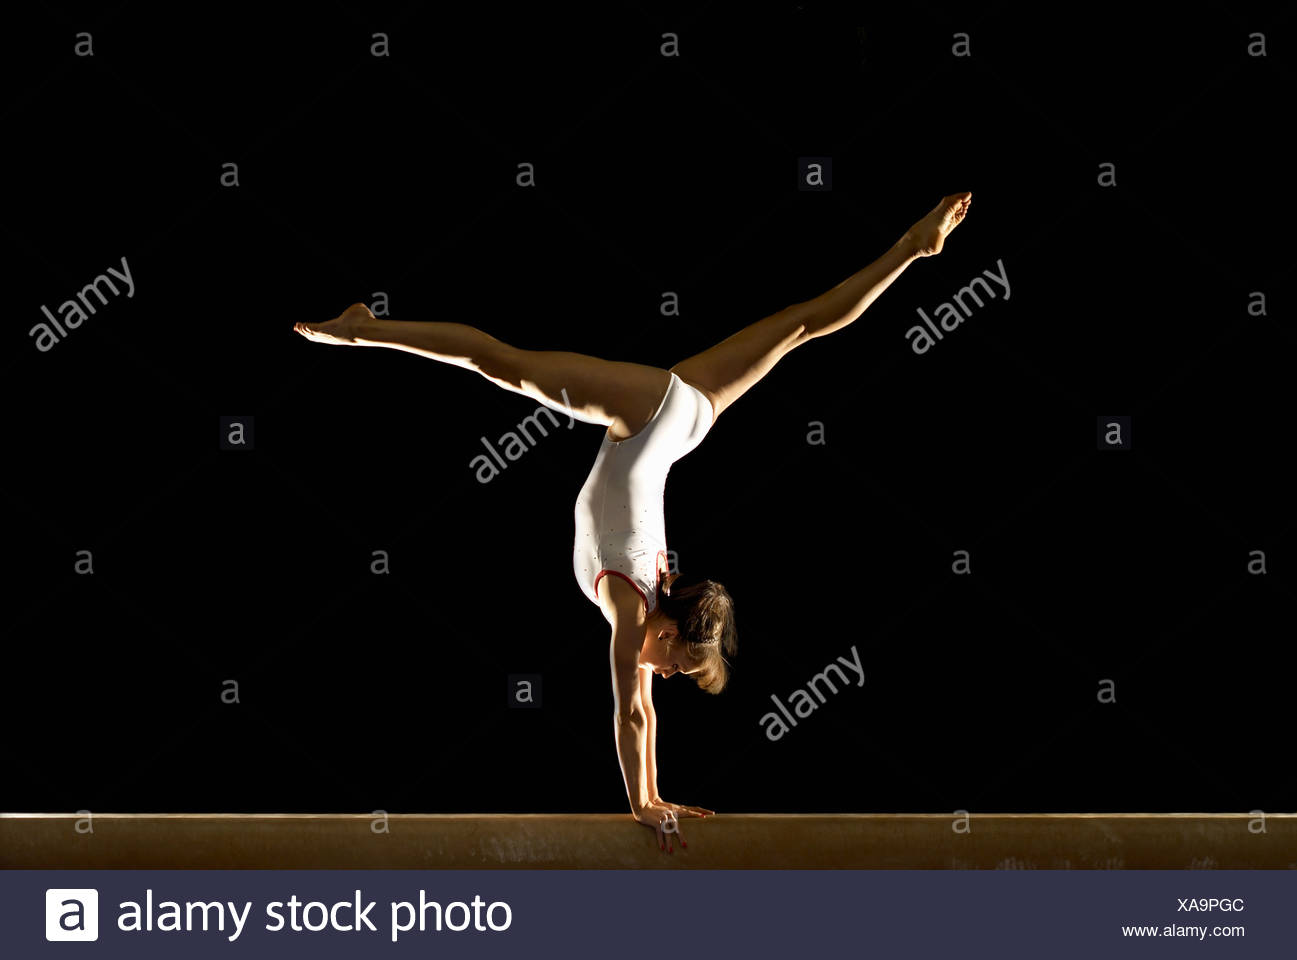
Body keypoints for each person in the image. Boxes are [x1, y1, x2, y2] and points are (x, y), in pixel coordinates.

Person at [294, 191, 973, 851]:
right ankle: (366, 329)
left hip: (686, 423)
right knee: (502, 365)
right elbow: (632, 712)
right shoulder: (628, 605)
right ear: (669, 628)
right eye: (679, 663)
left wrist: (652, 795)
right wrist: (640, 803)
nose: (668, 675)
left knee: (801, 324)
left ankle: (913, 248)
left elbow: (642, 713)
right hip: (650, 418)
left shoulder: (646, 603)